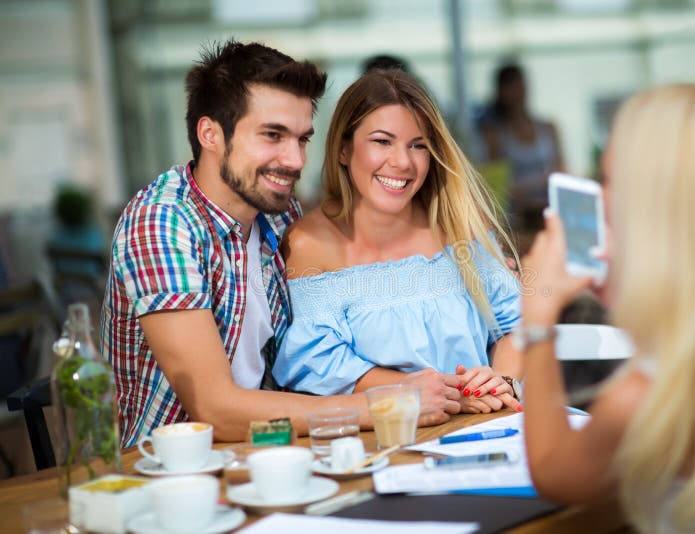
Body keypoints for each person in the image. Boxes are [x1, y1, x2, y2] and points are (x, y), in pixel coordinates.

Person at [101, 41, 462, 448]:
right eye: (273, 136)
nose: (295, 160)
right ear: (210, 134)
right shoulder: (162, 224)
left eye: (302, 139)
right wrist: (385, 401)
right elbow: (214, 410)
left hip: (277, 449)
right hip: (176, 470)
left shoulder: (277, 212)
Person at [518, 84, 695, 532]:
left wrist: (537, 319)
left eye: (608, 178)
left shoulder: (642, 403)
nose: (598, 193)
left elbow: (554, 473)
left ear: (652, 204)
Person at [273, 69, 523, 413]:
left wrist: (501, 379)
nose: (403, 162)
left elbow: (515, 326)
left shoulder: (461, 222)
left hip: (485, 425)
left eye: (418, 145)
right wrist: (413, 389)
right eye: (382, 141)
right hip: (386, 440)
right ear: (344, 149)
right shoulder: (308, 243)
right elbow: (317, 361)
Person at [478, 62, 563, 231]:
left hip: (546, 213)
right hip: (516, 220)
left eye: (520, 86)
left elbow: (561, 171)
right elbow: (495, 188)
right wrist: (538, 182)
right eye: (512, 87)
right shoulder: (494, 135)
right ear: (501, 92)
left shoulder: (548, 127)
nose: (518, 92)